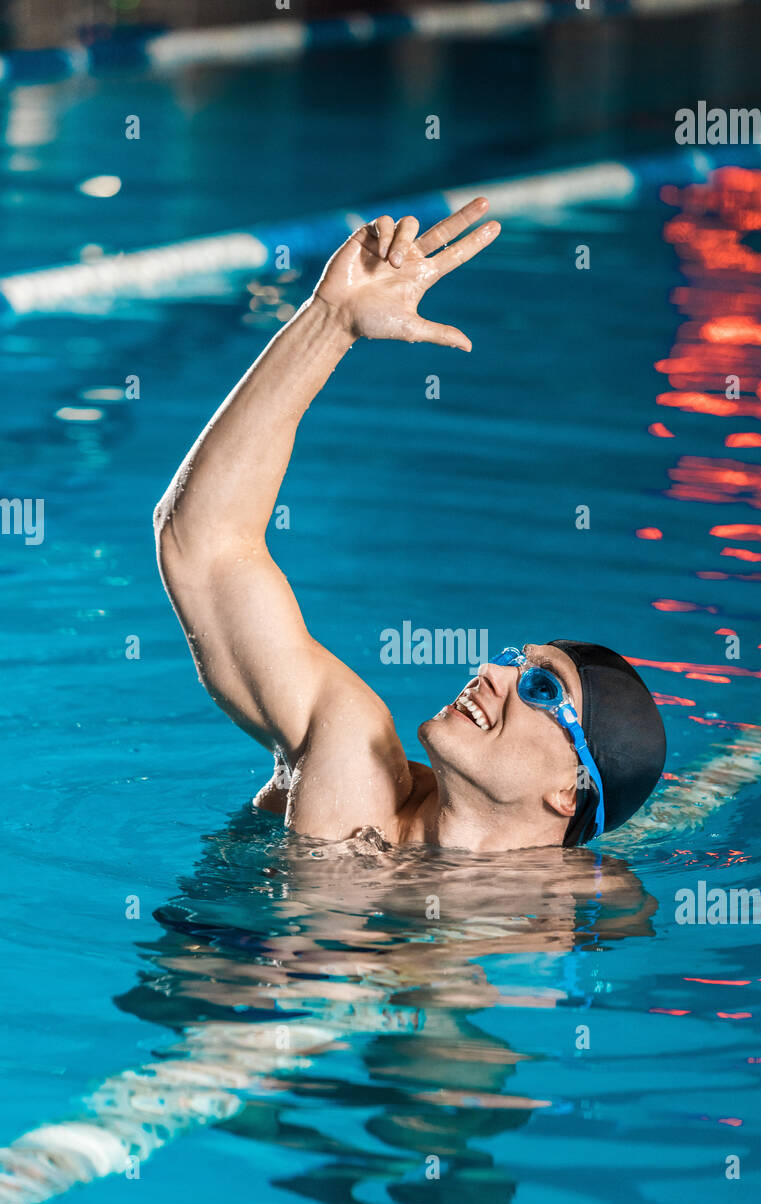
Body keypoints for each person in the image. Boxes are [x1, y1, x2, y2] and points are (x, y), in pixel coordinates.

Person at [154, 197, 665, 852]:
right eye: (515, 660)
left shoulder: (562, 917)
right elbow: (202, 544)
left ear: (567, 789)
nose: (490, 669)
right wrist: (330, 323)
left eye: (539, 686)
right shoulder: (348, 753)